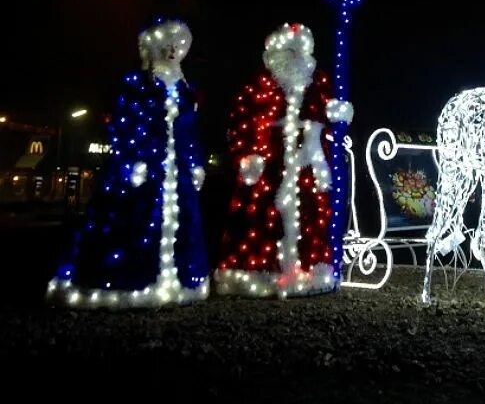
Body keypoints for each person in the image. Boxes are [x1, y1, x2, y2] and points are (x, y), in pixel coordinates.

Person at [46, 18, 209, 308]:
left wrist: (195, 162)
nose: (172, 52)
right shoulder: (137, 83)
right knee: (136, 220)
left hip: (177, 168)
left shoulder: (185, 89)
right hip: (145, 165)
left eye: (177, 46)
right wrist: (134, 158)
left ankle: (179, 281)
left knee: (180, 223)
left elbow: (190, 129)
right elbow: (126, 124)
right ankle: (133, 282)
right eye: (166, 46)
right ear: (155, 48)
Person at [214, 23, 352, 297]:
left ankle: (310, 269)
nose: (293, 58)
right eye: (287, 51)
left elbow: (329, 110)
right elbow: (240, 123)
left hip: (306, 167)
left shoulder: (318, 82)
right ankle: (260, 273)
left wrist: (338, 112)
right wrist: (247, 155)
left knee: (309, 219)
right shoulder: (258, 86)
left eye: (298, 51)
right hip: (269, 167)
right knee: (263, 220)